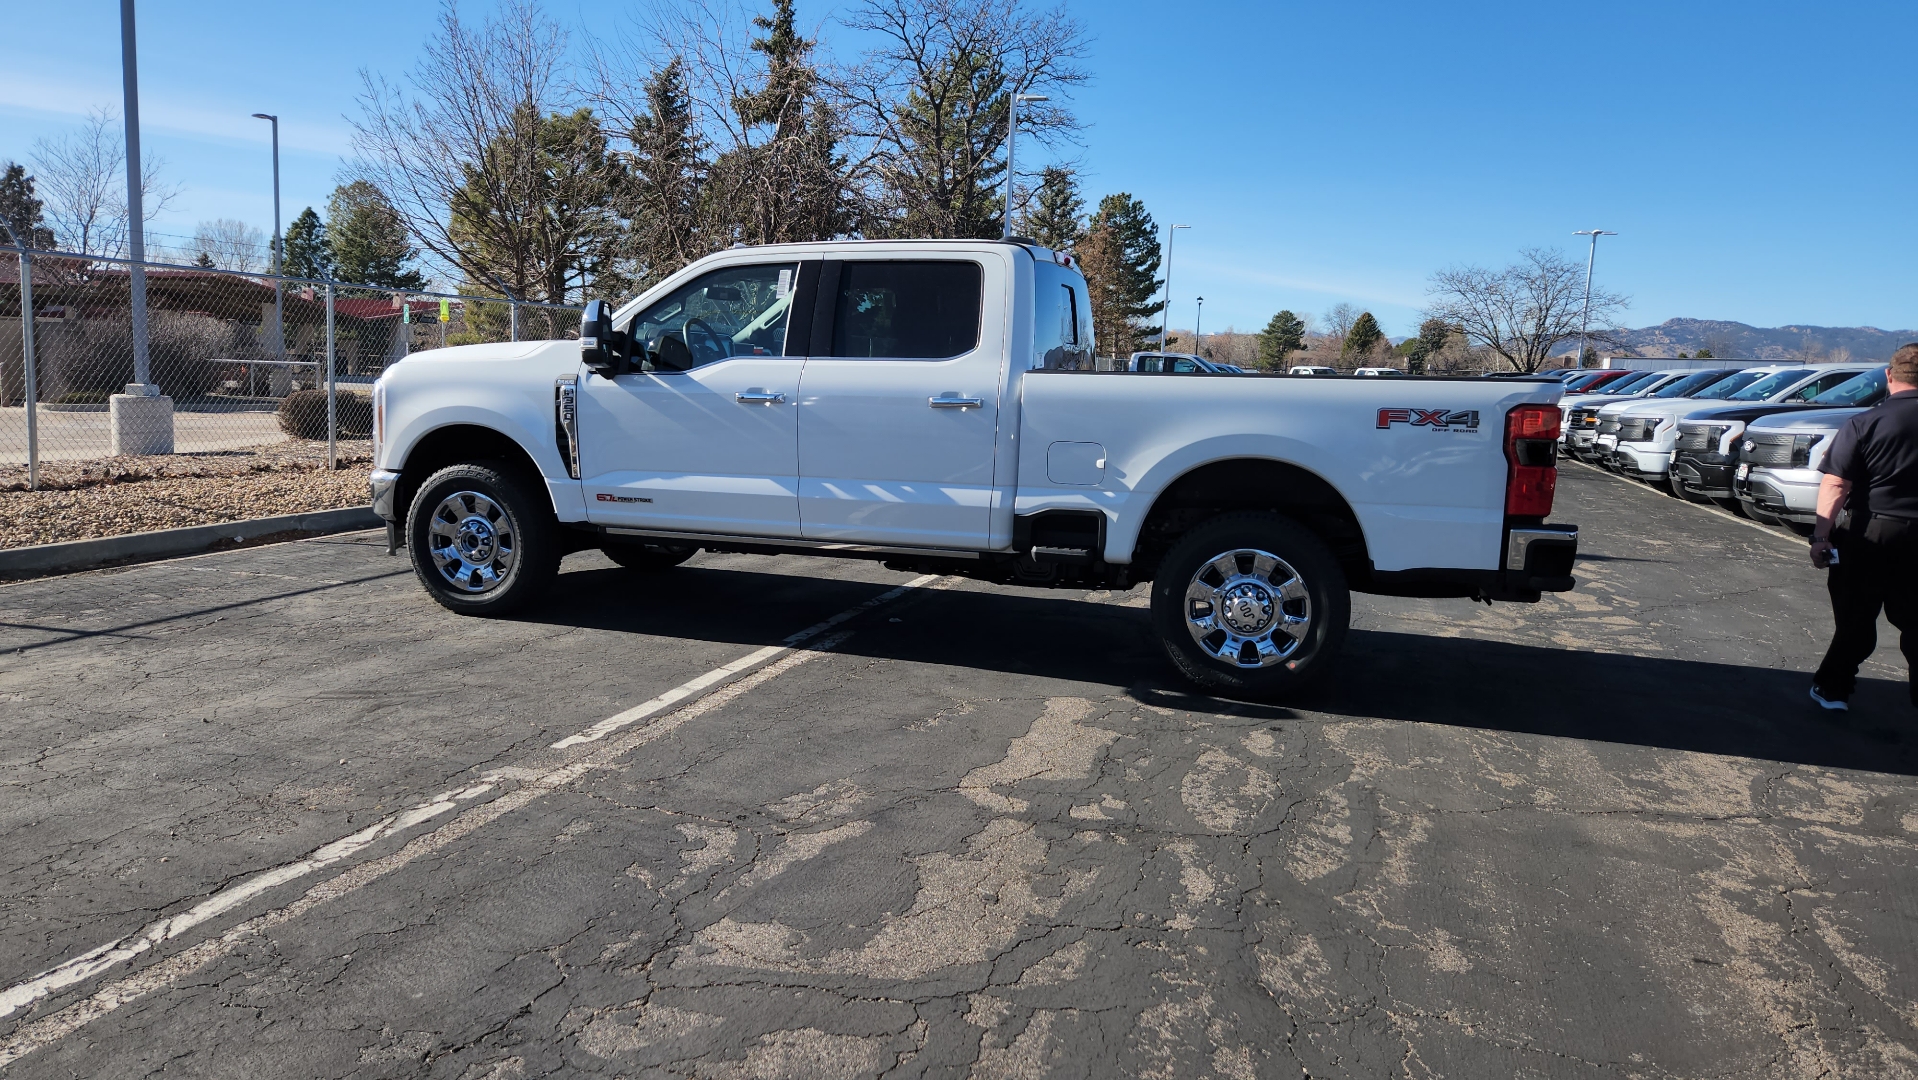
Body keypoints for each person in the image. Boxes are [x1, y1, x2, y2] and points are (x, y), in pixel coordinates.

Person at [1809, 344, 1918, 710]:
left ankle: (1834, 688)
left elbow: (1836, 484)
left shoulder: (1865, 422)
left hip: (1868, 532)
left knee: (1856, 617)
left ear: (1888, 376)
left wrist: (1821, 537)